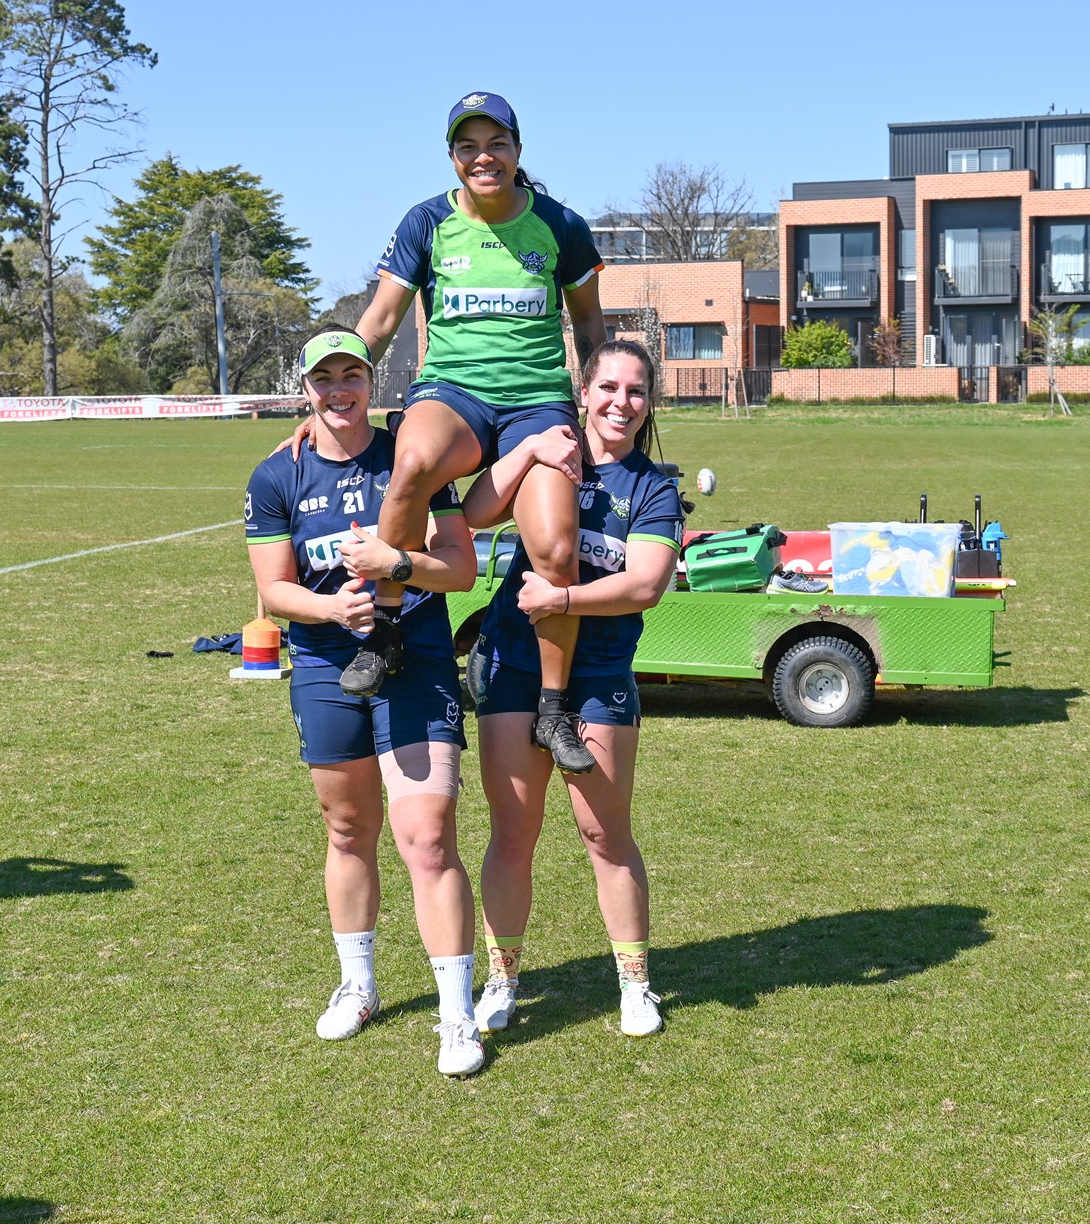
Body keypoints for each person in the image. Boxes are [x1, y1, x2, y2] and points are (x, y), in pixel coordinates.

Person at [244, 326, 484, 1077]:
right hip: (323, 664)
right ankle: (360, 986)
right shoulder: (275, 476)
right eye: (325, 378)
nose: (339, 389)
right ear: (305, 389)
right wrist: (330, 614)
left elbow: (461, 569)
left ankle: (456, 1017)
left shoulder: (411, 457)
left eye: (353, 374)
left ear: (372, 383)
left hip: (414, 660)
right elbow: (274, 589)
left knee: (428, 834)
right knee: (347, 829)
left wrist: (399, 565)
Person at [345, 90, 608, 775]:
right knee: (413, 462)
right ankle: (389, 628)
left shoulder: (560, 225)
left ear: (519, 152)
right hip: (454, 395)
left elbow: (589, 329)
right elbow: (378, 323)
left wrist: (590, 412)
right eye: (468, 147)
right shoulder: (427, 221)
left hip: (537, 404)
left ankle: (553, 708)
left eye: (496, 144)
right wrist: (326, 395)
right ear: (453, 157)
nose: (482, 157)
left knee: (554, 546)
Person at [462, 339, 683, 1038]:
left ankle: (635, 984)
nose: (622, 401)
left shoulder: (653, 487)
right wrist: (527, 453)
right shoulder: (548, 452)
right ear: (583, 392)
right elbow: (472, 512)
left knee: (604, 832)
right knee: (514, 831)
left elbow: (646, 584)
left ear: (649, 404)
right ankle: (501, 980)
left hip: (598, 677)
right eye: (609, 387)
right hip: (513, 665)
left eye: (637, 391)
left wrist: (562, 602)